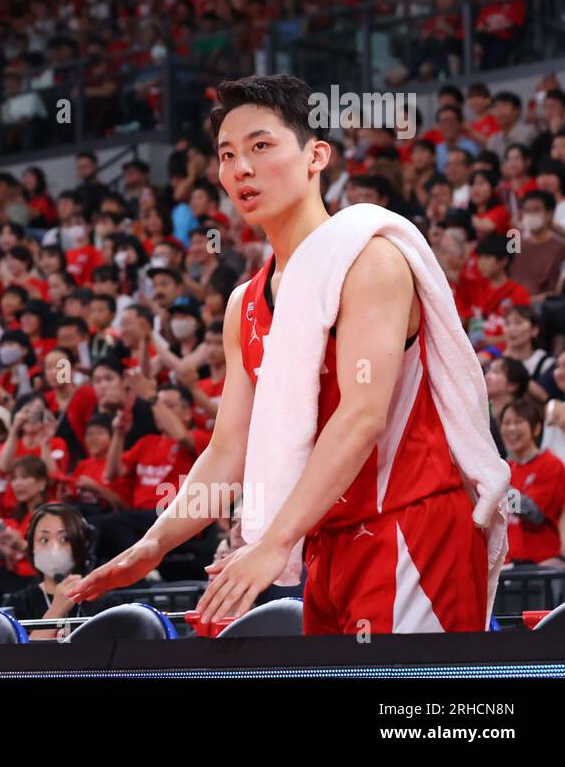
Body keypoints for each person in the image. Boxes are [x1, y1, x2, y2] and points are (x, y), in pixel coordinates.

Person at [71, 73, 504, 634]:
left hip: (409, 526)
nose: (240, 168)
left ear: (315, 156)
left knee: (408, 721)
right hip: (325, 540)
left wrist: (273, 541)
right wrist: (152, 545)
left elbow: (363, 414)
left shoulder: (368, 260)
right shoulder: (243, 303)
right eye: (227, 155)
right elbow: (229, 449)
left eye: (260, 146)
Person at [1, 503, 96, 639]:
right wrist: (56, 610)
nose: (53, 548)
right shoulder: (17, 604)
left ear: (83, 544)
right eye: (44, 540)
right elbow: (18, 658)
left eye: (64, 539)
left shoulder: (102, 602)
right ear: (31, 546)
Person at [501, 400, 565, 566]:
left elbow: (535, 514)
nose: (511, 428)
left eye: (518, 421)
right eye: (506, 422)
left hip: (540, 564)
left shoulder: (551, 464)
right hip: (506, 564)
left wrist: (498, 485)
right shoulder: (504, 468)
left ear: (536, 429)